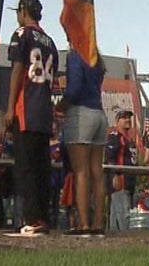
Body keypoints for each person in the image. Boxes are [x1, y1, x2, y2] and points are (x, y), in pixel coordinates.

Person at [4, 0, 59, 237]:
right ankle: (43, 218)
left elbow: (18, 68)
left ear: (23, 11)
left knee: (26, 168)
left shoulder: (21, 34)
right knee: (41, 167)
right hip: (44, 108)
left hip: (26, 107)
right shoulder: (51, 41)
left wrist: (8, 106)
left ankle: (32, 218)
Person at [59, 46, 107, 236]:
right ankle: (98, 223)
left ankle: (84, 225)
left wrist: (62, 104)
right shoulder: (96, 57)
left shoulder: (75, 55)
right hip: (99, 113)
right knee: (97, 171)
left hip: (80, 113)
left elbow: (74, 88)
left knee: (80, 171)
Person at [104, 110, 138, 232]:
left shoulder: (130, 140)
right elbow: (109, 156)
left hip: (129, 183)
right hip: (120, 183)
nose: (128, 120)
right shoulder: (114, 137)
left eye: (129, 117)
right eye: (124, 118)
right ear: (117, 121)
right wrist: (114, 176)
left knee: (118, 215)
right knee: (123, 215)